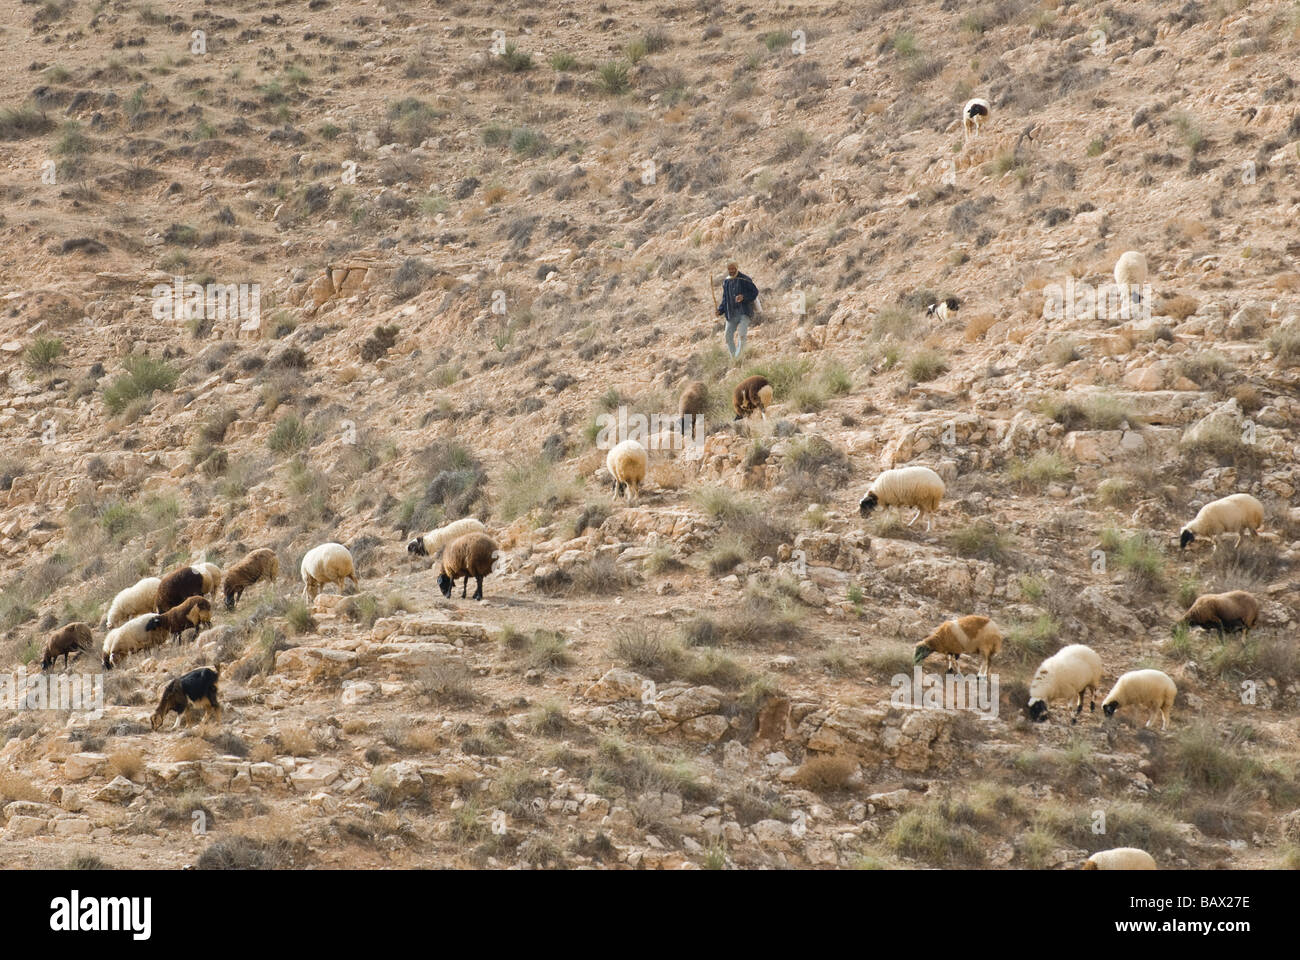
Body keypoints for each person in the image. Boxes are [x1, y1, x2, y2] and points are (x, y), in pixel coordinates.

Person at [716, 261, 759, 359]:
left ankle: (739, 357)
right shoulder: (726, 282)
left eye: (733, 269)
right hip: (731, 313)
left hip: (744, 312)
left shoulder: (744, 279)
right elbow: (725, 299)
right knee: (728, 336)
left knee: (742, 335)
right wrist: (720, 310)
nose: (731, 271)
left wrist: (743, 297)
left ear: (737, 268)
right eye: (729, 269)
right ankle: (734, 358)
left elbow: (755, 292)